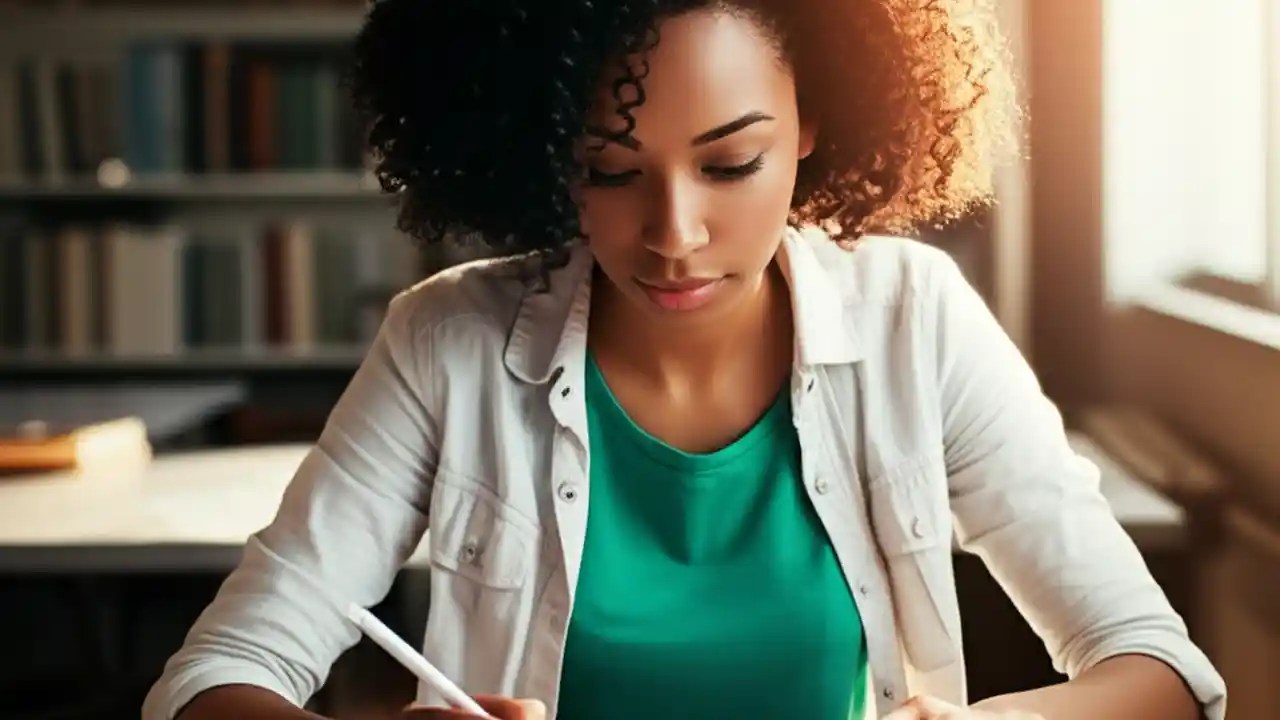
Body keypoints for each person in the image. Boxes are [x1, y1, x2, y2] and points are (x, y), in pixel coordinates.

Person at [143, 1, 1228, 719]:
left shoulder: (914, 318)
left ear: (814, 120)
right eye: (609, 172)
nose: (673, 233)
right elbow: (215, 676)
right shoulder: (447, 342)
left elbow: (1158, 669)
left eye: (731, 163)